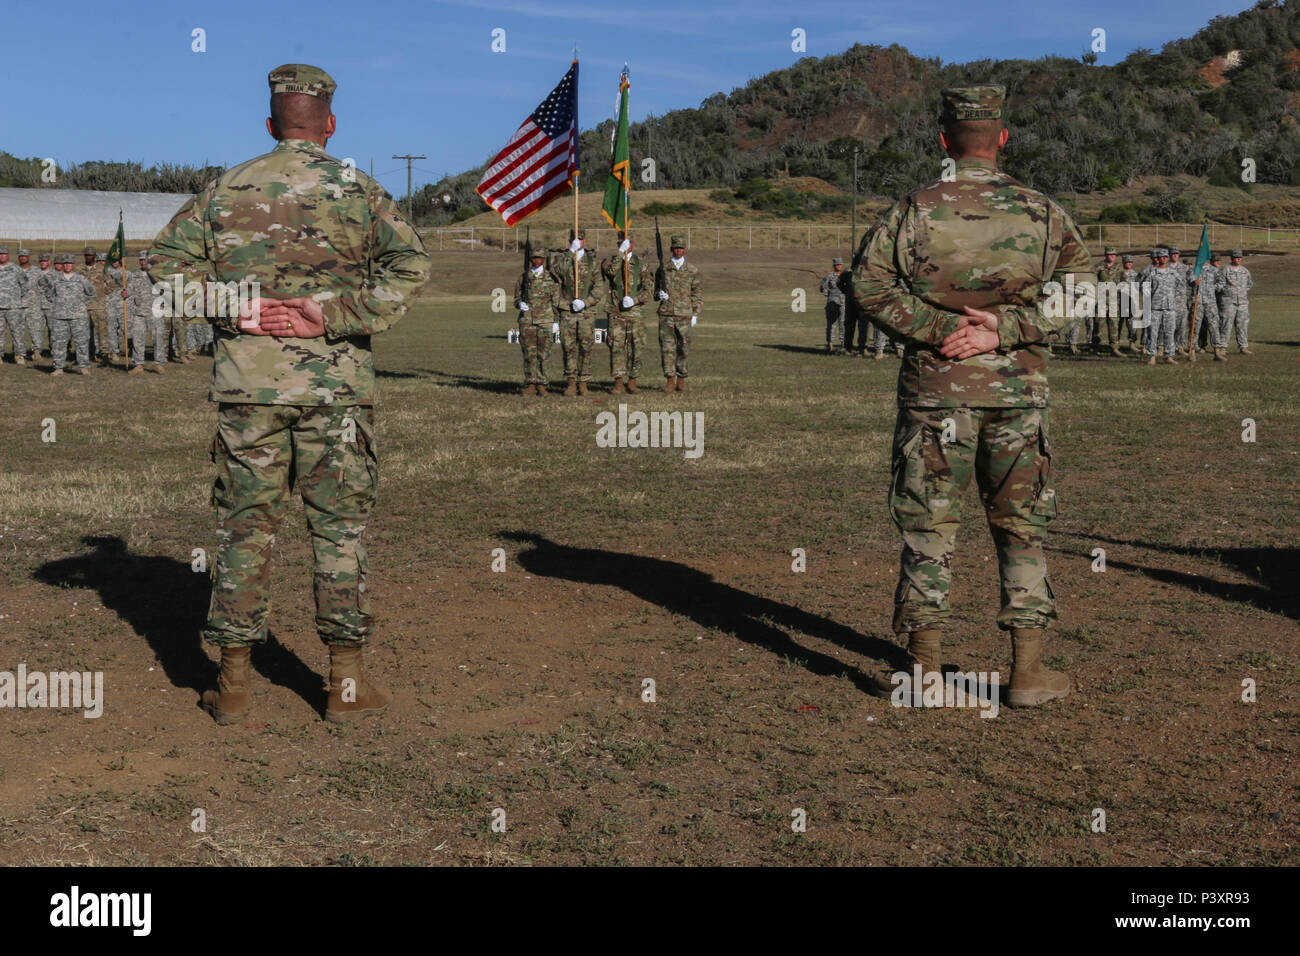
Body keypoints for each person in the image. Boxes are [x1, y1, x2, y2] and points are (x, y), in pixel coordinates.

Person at [148, 62, 430, 724]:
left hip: (250, 394)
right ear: (330, 123)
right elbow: (410, 266)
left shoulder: (225, 190)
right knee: (339, 527)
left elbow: (164, 268)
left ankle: (234, 687)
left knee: (246, 527)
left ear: (271, 124)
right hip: (336, 392)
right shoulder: (358, 188)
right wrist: (329, 314)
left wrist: (241, 305)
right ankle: (347, 685)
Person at [852, 85, 1094, 708]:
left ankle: (923, 670)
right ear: (1002, 139)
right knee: (1021, 526)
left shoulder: (913, 210)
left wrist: (940, 332)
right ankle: (1028, 673)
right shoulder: (1043, 213)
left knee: (929, 525)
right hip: (1017, 395)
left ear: (943, 142)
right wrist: (1005, 328)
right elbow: (1083, 291)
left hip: (936, 393)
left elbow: (869, 286)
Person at [602, 233, 652, 394]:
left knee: (636, 348)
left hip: (635, 312)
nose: (625, 245)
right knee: (617, 347)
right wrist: (619, 255)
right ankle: (618, 382)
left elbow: (649, 290)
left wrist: (635, 300)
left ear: (633, 243)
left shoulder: (641, 264)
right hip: (616, 311)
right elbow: (610, 272)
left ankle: (632, 381)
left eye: (628, 242)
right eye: (622, 243)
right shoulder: (611, 261)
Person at [555, 228, 598, 396]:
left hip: (586, 313)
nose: (578, 242)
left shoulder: (592, 261)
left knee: (586, 347)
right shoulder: (563, 259)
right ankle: (571, 382)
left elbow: (598, 288)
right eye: (574, 239)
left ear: (585, 241)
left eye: (580, 239)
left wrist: (585, 302)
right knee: (568, 347)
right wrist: (570, 253)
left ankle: (584, 382)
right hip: (567, 310)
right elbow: (557, 271)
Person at [655, 234, 700, 392]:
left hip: (684, 315)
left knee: (683, 348)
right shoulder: (663, 268)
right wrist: (659, 294)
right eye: (675, 248)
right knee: (667, 349)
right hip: (666, 314)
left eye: (681, 248)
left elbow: (696, 294)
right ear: (671, 249)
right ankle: (669, 380)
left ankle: (681, 379)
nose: (678, 250)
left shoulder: (692, 270)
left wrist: (695, 313)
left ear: (685, 249)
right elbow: (654, 292)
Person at [39, 254, 95, 375]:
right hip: (60, 316)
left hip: (78, 316)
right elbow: (49, 294)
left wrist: (80, 302)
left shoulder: (81, 279)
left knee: (81, 342)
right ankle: (58, 367)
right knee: (58, 342)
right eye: (65, 263)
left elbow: (91, 293)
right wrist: (58, 303)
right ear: (62, 265)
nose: (68, 265)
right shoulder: (55, 279)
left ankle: (83, 366)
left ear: (73, 265)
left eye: (70, 263)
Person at [515, 247, 560, 395]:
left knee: (543, 354)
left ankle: (542, 384)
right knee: (529, 354)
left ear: (544, 260)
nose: (536, 260)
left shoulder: (551, 278)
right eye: (534, 258)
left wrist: (555, 322)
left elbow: (556, 301)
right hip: (527, 320)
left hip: (545, 320)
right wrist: (519, 304)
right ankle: (530, 384)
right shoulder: (524, 277)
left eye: (539, 258)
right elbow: (517, 297)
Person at [1138, 249, 1179, 365]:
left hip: (1170, 307)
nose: (1164, 259)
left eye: (1166, 257)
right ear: (1158, 258)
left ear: (1168, 258)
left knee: (1170, 332)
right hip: (1155, 307)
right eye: (1161, 257)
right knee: (1153, 333)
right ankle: (1152, 356)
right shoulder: (1152, 273)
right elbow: (1143, 288)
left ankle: (1169, 356)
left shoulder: (1173, 273)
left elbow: (1181, 285)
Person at [1220, 249, 1253, 355]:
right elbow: (1220, 285)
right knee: (1226, 325)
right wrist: (1229, 293)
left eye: (1240, 257)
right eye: (1236, 257)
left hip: (1242, 303)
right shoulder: (1225, 270)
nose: (1238, 259)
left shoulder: (1245, 271)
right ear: (1231, 258)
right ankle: (1223, 347)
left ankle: (1243, 347)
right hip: (1229, 302)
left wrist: (1241, 292)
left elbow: (1250, 284)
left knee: (1242, 325)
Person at [0, 245, 29, 365]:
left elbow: (24, 286)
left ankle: (19, 355)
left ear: (8, 255)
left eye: (4, 254)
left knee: (17, 332)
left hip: (14, 307)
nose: (2, 256)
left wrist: (16, 299)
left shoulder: (16, 269)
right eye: (0, 254)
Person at [819, 257, 845, 355]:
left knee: (843, 324)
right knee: (831, 324)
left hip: (843, 303)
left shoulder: (845, 276)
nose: (839, 266)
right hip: (832, 303)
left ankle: (843, 344)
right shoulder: (829, 276)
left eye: (840, 264)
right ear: (834, 266)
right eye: (837, 264)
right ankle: (830, 343)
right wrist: (829, 294)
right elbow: (822, 287)